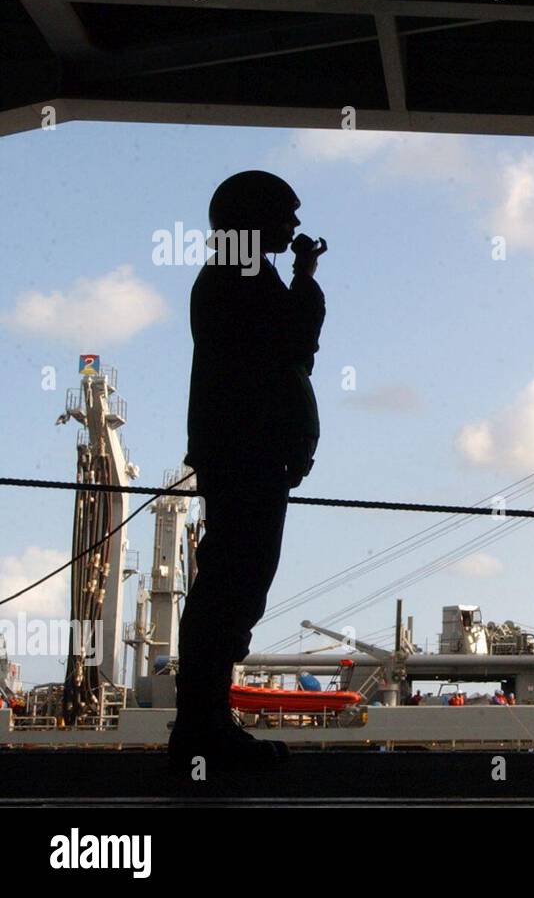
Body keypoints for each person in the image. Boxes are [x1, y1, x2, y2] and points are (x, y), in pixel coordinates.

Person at [168, 171, 327, 770]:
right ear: (255, 219)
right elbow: (293, 344)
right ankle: (203, 725)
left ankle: (203, 721)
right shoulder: (239, 278)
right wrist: (305, 283)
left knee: (232, 585)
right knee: (233, 585)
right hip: (248, 462)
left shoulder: (234, 276)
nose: (294, 226)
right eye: (286, 215)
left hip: (246, 460)